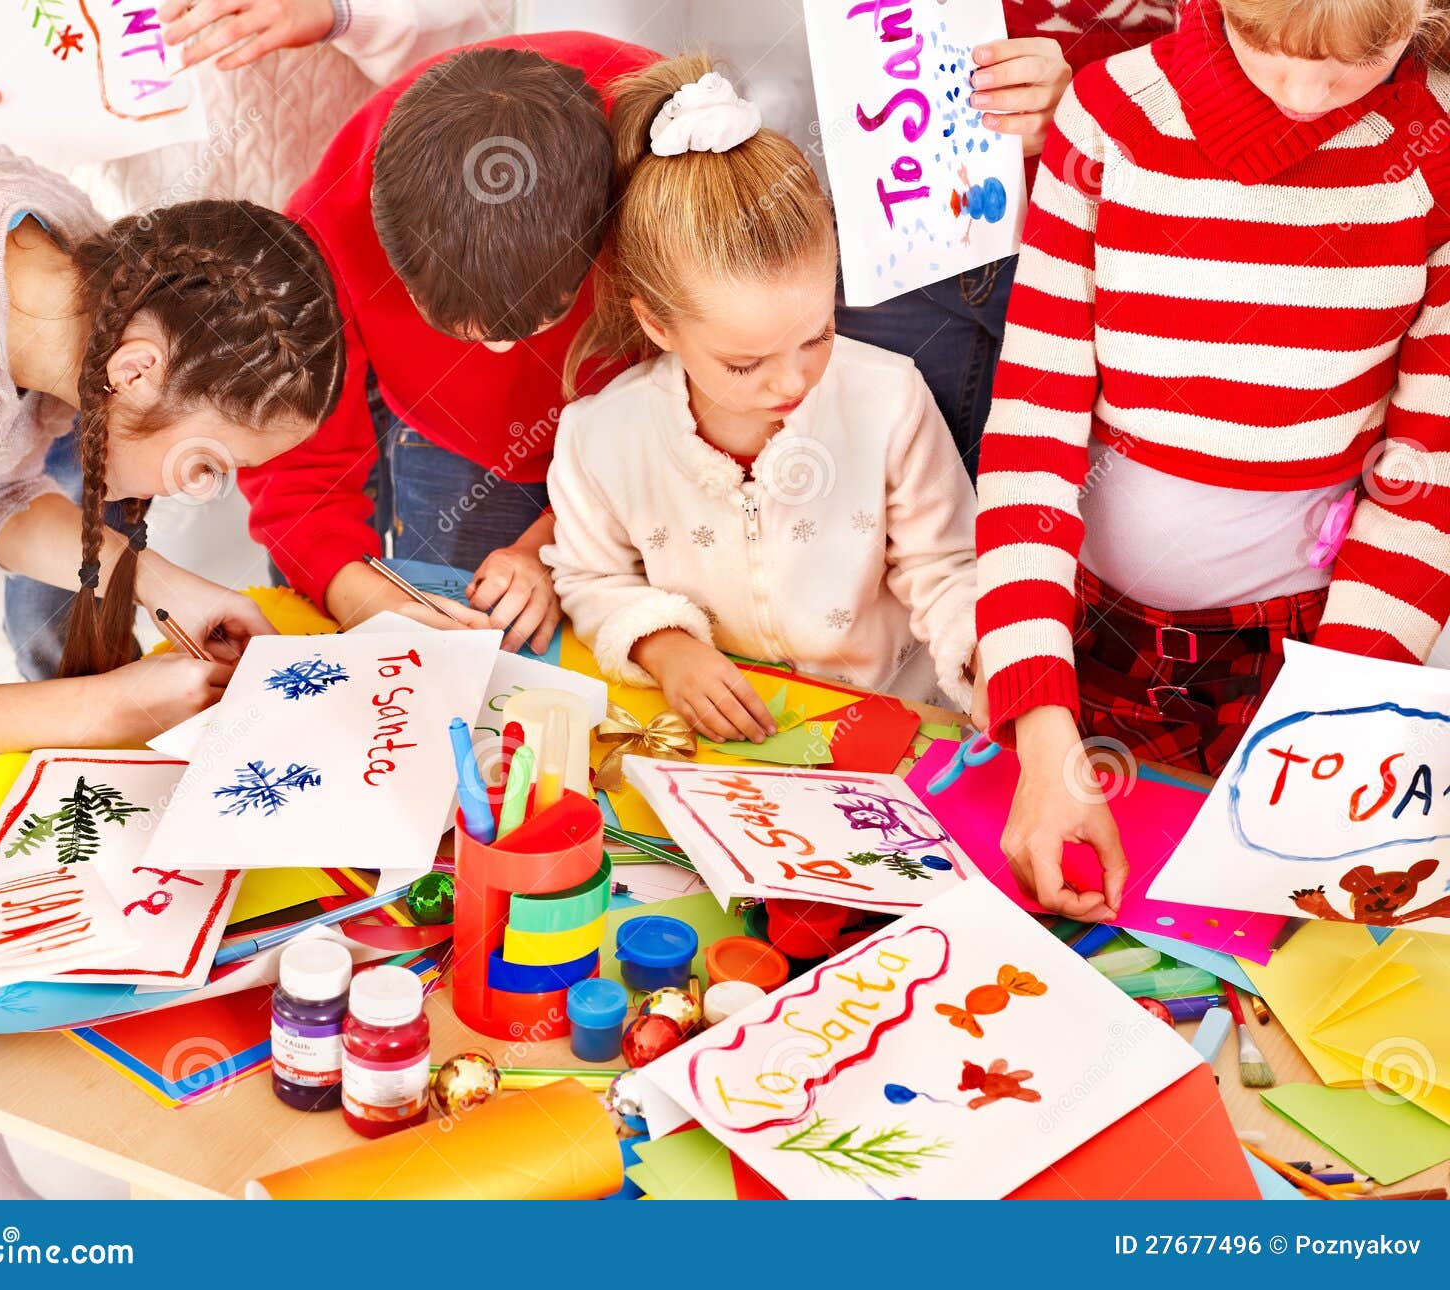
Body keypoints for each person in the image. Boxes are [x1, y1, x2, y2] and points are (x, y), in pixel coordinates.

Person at [974, 0, 1450, 919]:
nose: (1302, 95)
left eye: (1355, 58)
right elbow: (1031, 437)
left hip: (1305, 657)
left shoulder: (1435, 158)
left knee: (1258, 934)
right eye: (1268, 47)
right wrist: (1040, 720)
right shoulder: (1110, 116)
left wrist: (1336, 720)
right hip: (1087, 643)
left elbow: (1427, 479)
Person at [0, 0, 509, 682]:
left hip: (322, 284)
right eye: (209, 466)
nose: (205, 487)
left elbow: (474, 58)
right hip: (98, 282)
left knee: (325, 548)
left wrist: (345, 13)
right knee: (56, 609)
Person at [0, 144, 345, 775]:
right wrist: (105, 709)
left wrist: (160, 584)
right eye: (208, 463)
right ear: (135, 371)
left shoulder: (61, 259)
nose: (201, 487)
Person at [544, 57, 981, 744]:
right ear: (657, 325)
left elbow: (948, 568)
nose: (792, 384)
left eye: (817, 336)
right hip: (714, 748)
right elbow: (588, 577)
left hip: (895, 731)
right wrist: (665, 646)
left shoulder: (889, 398)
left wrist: (983, 656)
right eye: (745, 364)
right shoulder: (599, 439)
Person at [237, 33, 659, 654]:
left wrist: (557, 543)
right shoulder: (327, 224)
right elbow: (297, 465)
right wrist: (358, 595)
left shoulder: (670, 159)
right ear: (387, 246)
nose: (499, 353)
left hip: (645, 450)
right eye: (457, 331)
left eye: (542, 318)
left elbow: (708, 409)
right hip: (453, 436)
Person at [835, 1, 1179, 478]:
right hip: (895, 215)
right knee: (879, 493)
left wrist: (1096, 106)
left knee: (1071, 503)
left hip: (1104, 238)